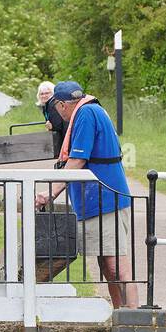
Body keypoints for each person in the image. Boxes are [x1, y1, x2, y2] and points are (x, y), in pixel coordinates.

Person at [35, 79, 139, 308]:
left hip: (105, 201)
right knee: (107, 265)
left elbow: (78, 161)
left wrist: (51, 192)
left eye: (56, 108)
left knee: (116, 265)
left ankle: (133, 317)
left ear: (62, 105)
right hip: (99, 201)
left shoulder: (85, 115)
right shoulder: (90, 109)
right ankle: (121, 315)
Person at [36, 79, 67, 157]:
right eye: (41, 94)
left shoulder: (53, 104)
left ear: (53, 93)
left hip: (64, 138)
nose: (44, 96)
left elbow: (58, 125)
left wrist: (51, 127)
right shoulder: (47, 105)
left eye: (47, 93)